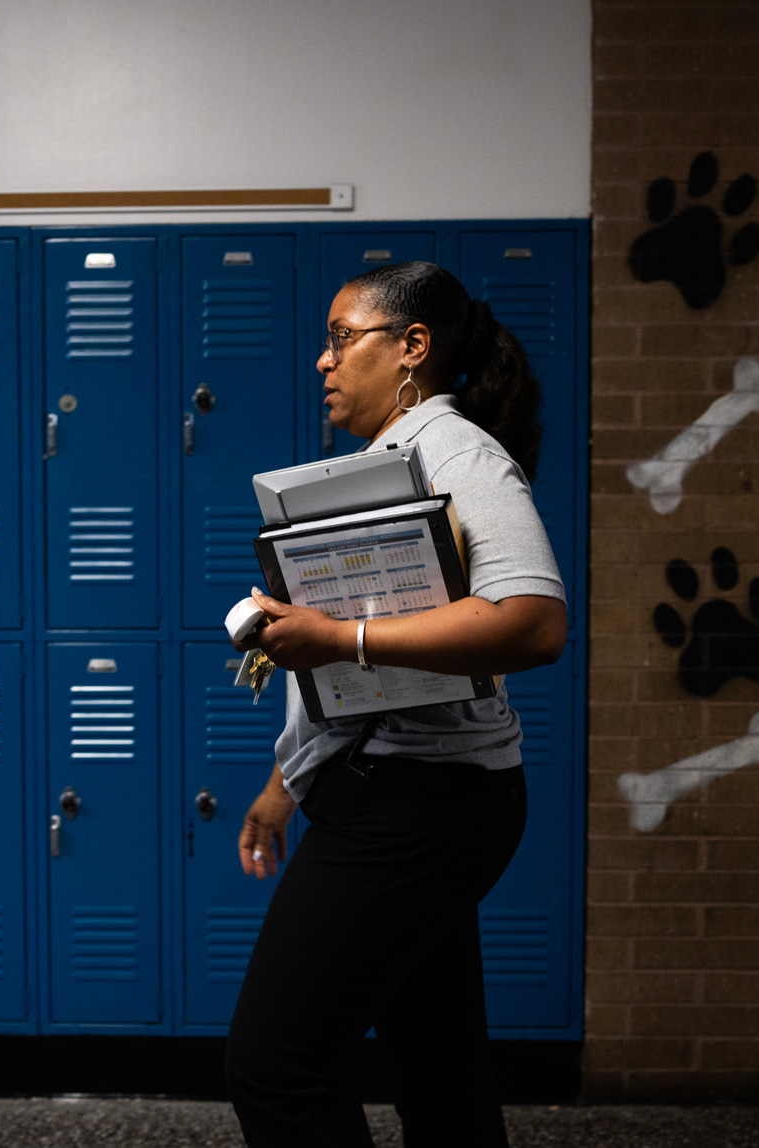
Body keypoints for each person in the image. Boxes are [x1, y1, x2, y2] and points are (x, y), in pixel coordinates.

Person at [223, 261, 567, 1148]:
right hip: (403, 788)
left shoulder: (458, 453)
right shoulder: (386, 463)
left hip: (419, 805)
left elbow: (531, 622)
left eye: (343, 338)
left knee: (275, 1062)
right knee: (437, 1069)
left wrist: (341, 638)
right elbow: (366, 677)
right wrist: (285, 781)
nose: (322, 362)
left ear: (411, 346)